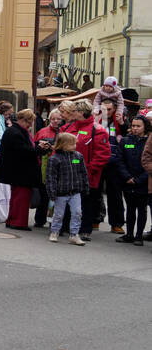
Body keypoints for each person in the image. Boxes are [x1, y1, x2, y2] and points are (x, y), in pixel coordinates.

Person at [60, 99, 110, 241]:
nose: (71, 113)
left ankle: (85, 229)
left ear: (82, 112)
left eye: (74, 111)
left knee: (86, 203)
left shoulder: (97, 130)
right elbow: (58, 148)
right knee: (65, 200)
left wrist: (89, 170)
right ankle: (64, 226)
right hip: (67, 173)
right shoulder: (67, 128)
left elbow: (102, 155)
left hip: (87, 175)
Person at [0, 108, 41, 231]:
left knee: (16, 197)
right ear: (23, 120)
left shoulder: (14, 131)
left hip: (17, 171)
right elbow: (24, 151)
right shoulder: (16, 133)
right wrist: (39, 149)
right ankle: (18, 222)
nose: (30, 125)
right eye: (29, 122)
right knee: (21, 198)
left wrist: (37, 146)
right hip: (20, 172)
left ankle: (12, 220)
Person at [46, 132, 87, 245]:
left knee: (77, 212)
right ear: (63, 144)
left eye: (75, 143)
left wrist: (85, 186)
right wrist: (52, 192)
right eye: (72, 144)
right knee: (59, 214)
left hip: (75, 191)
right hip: (61, 192)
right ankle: (55, 231)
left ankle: (74, 234)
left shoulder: (78, 156)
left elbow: (83, 172)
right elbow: (51, 177)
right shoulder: (54, 159)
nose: (75, 146)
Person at [112, 115, 148, 244]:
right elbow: (119, 160)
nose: (135, 128)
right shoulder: (125, 141)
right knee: (130, 208)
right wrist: (127, 176)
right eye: (133, 126)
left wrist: (139, 179)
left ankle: (139, 236)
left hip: (143, 181)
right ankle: (129, 234)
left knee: (142, 209)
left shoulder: (148, 142)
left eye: (138, 126)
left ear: (145, 127)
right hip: (127, 180)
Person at [97, 96, 126, 234]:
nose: (106, 112)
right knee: (95, 193)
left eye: (109, 109)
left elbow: (127, 138)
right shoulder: (96, 120)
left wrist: (122, 124)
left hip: (114, 164)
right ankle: (95, 220)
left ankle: (117, 224)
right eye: (104, 109)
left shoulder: (120, 121)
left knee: (115, 195)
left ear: (114, 109)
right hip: (98, 162)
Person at [33, 109, 65, 229]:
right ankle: (39, 220)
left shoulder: (64, 132)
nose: (55, 121)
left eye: (58, 119)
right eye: (53, 119)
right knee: (43, 195)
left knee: (56, 196)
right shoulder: (42, 132)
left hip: (60, 168)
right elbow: (34, 147)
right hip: (44, 167)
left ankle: (54, 221)